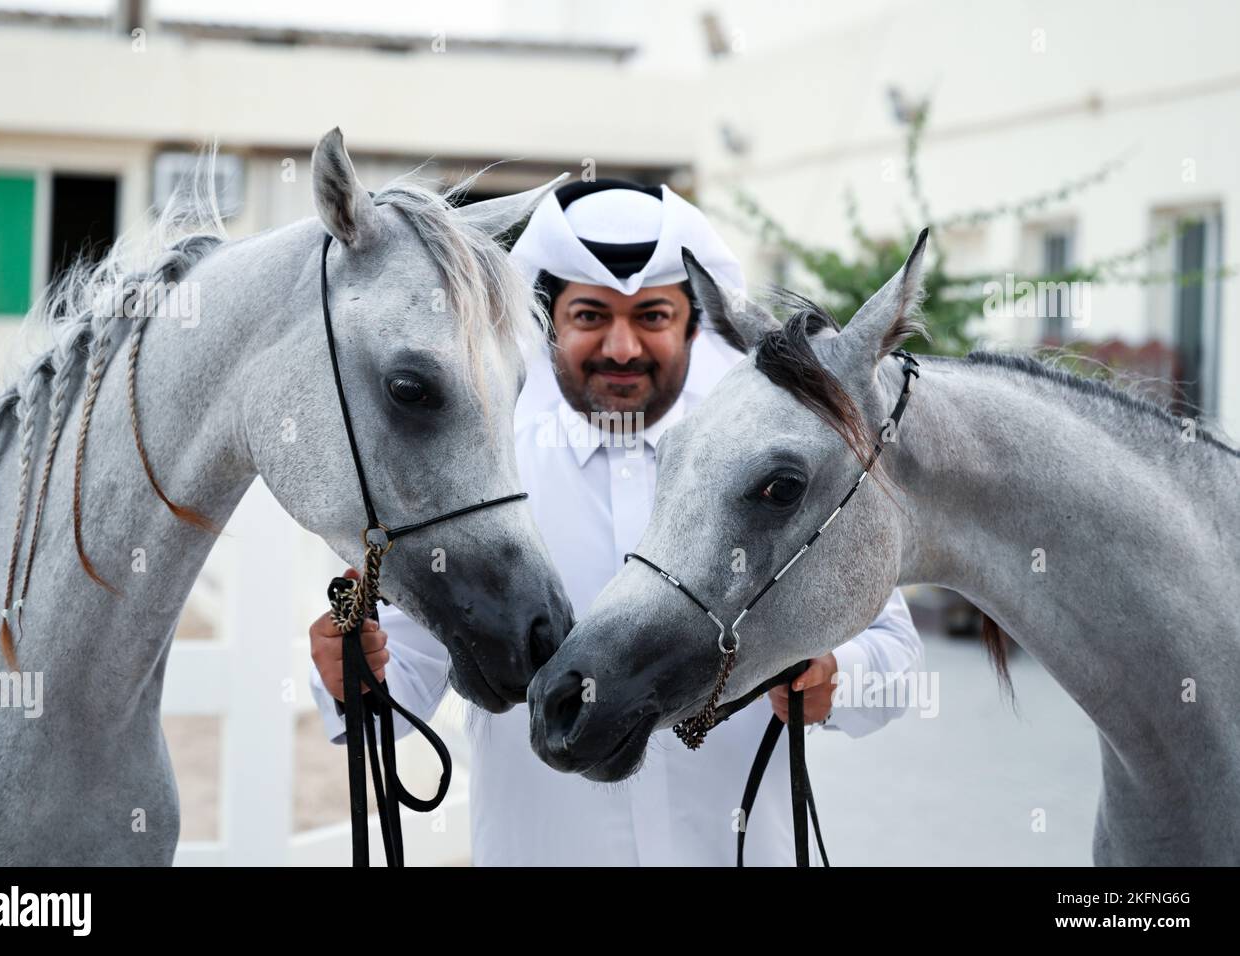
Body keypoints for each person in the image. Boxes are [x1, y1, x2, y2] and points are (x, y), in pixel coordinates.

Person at [309, 178, 923, 865]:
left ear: (693, 322)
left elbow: (897, 654)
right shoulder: (482, 480)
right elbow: (404, 677)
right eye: (592, 316)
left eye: (653, 316)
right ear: (548, 322)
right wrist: (351, 674)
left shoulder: (779, 477)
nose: (623, 346)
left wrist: (838, 676)